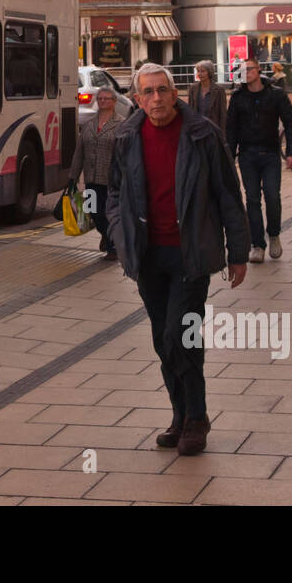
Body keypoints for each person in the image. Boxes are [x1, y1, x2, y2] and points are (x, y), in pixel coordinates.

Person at [106, 63, 249, 457]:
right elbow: (114, 194)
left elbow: (228, 196)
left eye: (162, 90)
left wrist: (238, 253)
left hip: (191, 254)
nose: (156, 99)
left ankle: (197, 418)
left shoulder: (203, 134)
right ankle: (181, 415)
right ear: (137, 99)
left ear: (176, 93)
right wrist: (120, 233)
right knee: (162, 339)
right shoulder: (126, 137)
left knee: (179, 335)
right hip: (148, 256)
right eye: (147, 92)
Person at [224, 58, 292, 263]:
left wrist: (291, 152)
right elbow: (231, 129)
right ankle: (257, 244)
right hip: (248, 155)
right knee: (253, 199)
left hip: (271, 154)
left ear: (258, 71)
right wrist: (229, 156)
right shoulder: (238, 98)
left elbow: (291, 123)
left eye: (249, 69)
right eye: (243, 70)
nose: (246, 72)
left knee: (273, 196)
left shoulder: (276, 95)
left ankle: (274, 234)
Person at [67, 88, 122, 261]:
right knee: (93, 213)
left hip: (111, 180)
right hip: (91, 179)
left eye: (107, 98)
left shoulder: (121, 124)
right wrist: (72, 177)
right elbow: (79, 152)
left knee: (109, 214)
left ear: (114, 101)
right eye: (100, 99)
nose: (103, 101)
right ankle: (106, 237)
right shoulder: (89, 124)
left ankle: (113, 246)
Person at [186, 60, 227, 130]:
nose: (199, 74)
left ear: (209, 72)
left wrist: (222, 134)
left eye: (203, 71)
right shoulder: (193, 89)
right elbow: (190, 111)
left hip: (213, 129)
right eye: (198, 71)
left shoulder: (219, 90)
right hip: (197, 129)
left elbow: (223, 114)